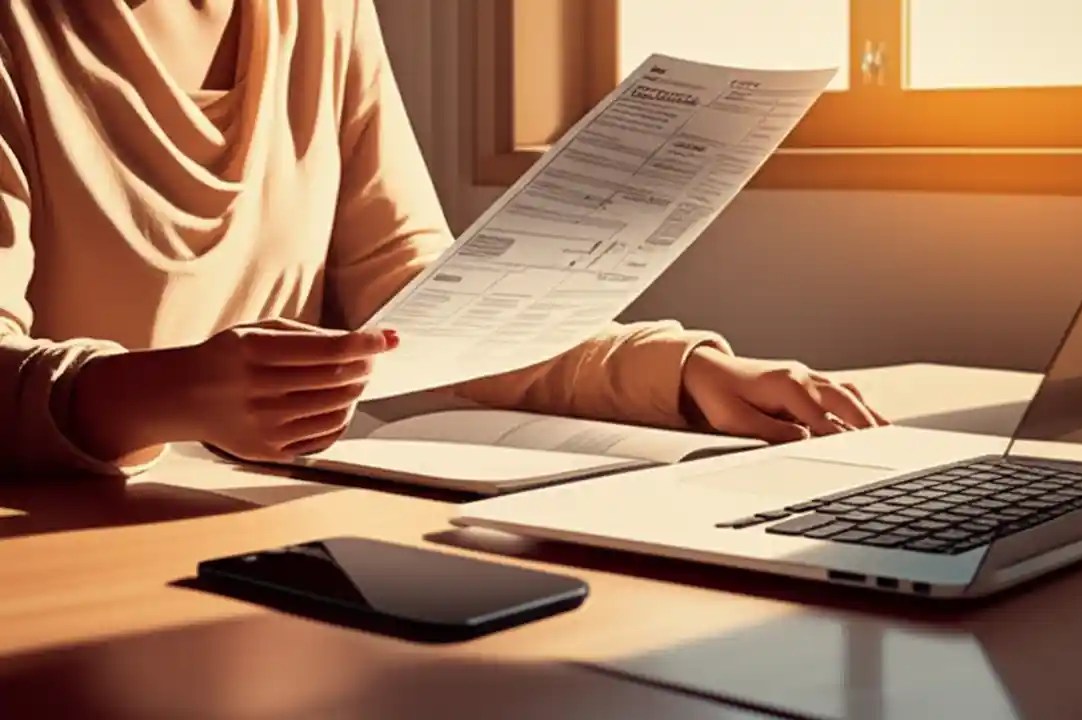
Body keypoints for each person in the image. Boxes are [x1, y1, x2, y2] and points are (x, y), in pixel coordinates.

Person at [0, 0, 884, 476]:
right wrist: (162, 392)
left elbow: (424, 310)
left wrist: (680, 371)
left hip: (279, 535)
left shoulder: (325, 12)